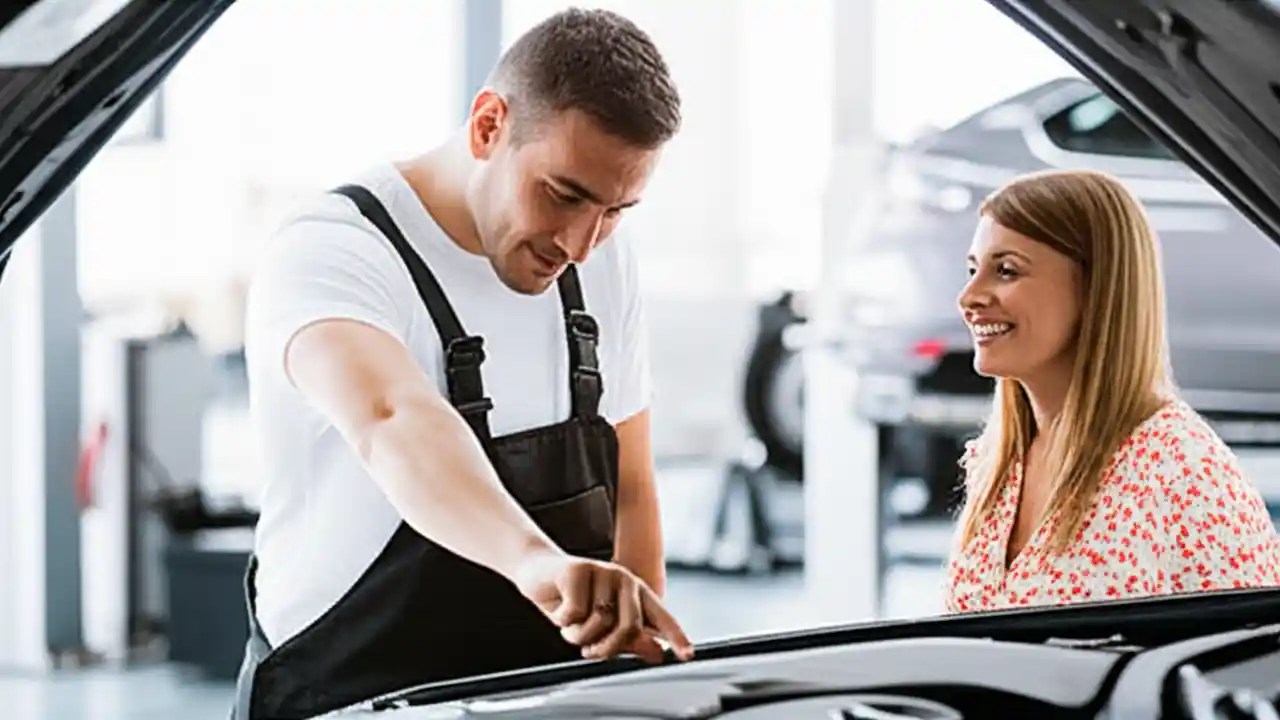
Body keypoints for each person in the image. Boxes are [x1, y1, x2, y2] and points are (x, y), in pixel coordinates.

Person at [234, 9, 694, 719]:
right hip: (345, 698)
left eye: (616, 210)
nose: (580, 241)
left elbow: (630, 485)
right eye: (563, 195)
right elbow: (394, 422)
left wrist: (648, 690)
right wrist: (534, 561)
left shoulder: (603, 259)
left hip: (537, 702)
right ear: (488, 126)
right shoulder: (330, 251)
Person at [944, 169, 1280, 613]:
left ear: (1095, 288)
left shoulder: (1182, 471)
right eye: (973, 269)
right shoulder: (996, 462)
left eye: (1006, 271)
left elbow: (1254, 657)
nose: (969, 296)